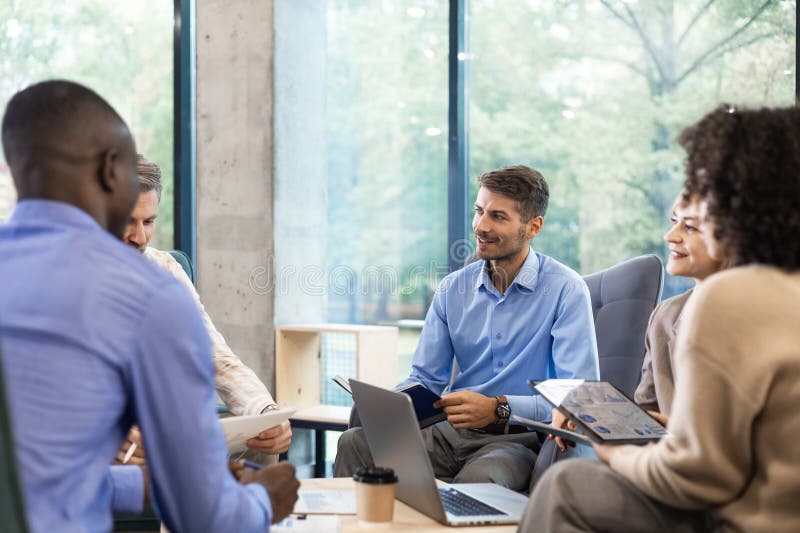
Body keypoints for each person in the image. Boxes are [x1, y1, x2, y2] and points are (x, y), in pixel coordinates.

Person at [0, 80, 298, 532]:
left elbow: (39, 476)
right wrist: (261, 500)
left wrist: (140, 486)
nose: (138, 234)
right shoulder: (147, 295)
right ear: (110, 172)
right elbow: (203, 518)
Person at [521, 104, 800, 532]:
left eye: (703, 190)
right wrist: (608, 420)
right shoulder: (770, 290)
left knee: (569, 484)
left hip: (742, 517)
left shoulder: (730, 297)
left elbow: (697, 475)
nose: (689, 210)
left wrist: (614, 453)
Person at [334, 165, 599, 491]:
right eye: (479, 211)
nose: (481, 226)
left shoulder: (566, 290)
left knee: (480, 480)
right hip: (449, 433)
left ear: (533, 227)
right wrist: (389, 403)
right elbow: (425, 379)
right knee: (354, 444)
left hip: (515, 442)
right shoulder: (451, 289)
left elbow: (577, 397)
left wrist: (499, 408)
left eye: (498, 217)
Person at [115, 154, 290, 466]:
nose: (140, 237)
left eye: (149, 221)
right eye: (128, 221)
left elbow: (216, 358)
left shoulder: (166, 270)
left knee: (261, 445)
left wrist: (265, 411)